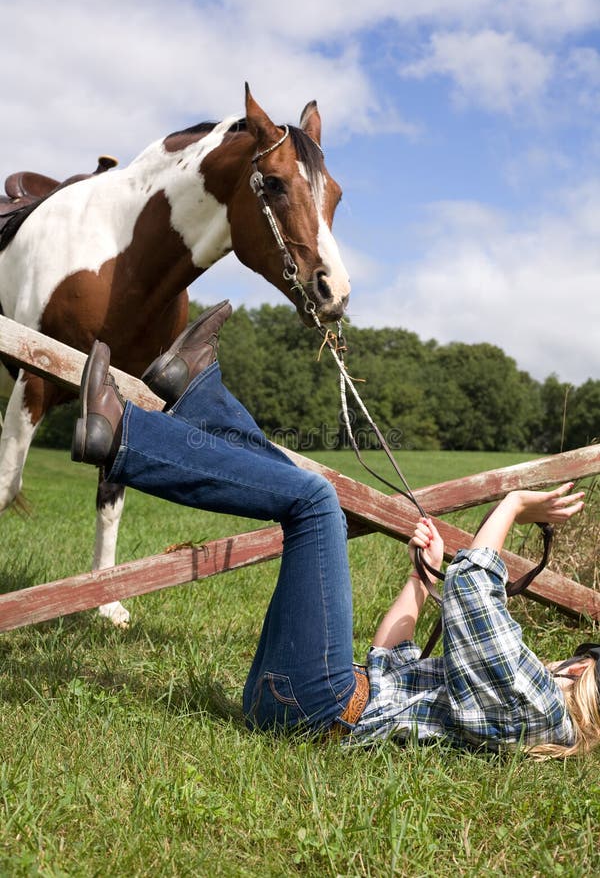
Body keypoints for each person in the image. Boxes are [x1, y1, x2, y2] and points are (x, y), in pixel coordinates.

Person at [72, 302, 599, 757]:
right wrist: (422, 576)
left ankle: (125, 438)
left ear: (581, 672)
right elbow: (390, 660)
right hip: (299, 699)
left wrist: (511, 505)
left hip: (318, 706)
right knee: (302, 490)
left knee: (314, 501)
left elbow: (476, 593)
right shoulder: (528, 700)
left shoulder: (541, 708)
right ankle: (197, 395)